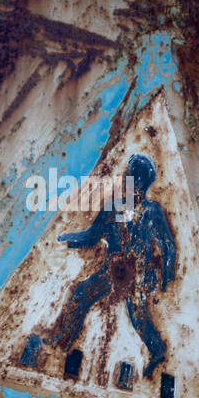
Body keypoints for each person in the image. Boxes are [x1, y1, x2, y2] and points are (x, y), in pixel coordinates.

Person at [25, 153, 175, 379]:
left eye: (131, 175)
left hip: (139, 276)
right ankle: (63, 339)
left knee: (139, 318)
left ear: (141, 182)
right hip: (113, 271)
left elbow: (167, 246)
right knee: (81, 294)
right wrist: (66, 239)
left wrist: (166, 278)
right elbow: (92, 236)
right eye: (127, 175)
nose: (126, 178)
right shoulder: (114, 206)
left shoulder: (152, 211)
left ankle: (157, 351)